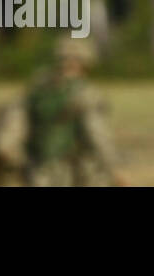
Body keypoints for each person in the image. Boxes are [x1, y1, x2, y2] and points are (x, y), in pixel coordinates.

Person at [23, 38, 126, 187]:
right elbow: (98, 136)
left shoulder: (40, 87)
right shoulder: (86, 94)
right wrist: (116, 170)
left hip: (37, 167)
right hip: (72, 171)